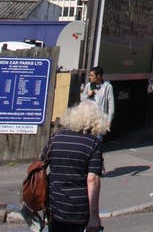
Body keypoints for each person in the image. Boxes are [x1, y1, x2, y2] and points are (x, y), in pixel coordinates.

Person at [41, 99, 109, 232]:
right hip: (79, 211)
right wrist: (94, 216)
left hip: (55, 207)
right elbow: (92, 180)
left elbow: (41, 163)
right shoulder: (93, 143)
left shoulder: (56, 137)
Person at [82, 65, 115, 132]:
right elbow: (82, 101)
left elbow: (111, 106)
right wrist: (88, 95)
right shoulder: (88, 86)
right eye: (89, 75)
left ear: (98, 76)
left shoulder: (107, 87)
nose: (89, 77)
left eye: (92, 76)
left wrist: (109, 121)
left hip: (100, 122)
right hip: (88, 121)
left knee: (97, 140)